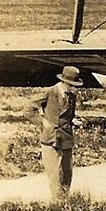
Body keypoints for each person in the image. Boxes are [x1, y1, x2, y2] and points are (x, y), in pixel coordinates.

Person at [30, 65, 83, 202]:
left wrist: (74, 120)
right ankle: (56, 204)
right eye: (73, 85)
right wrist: (42, 121)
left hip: (65, 138)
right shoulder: (50, 92)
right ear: (66, 83)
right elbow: (28, 109)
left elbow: (69, 116)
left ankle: (64, 202)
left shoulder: (72, 96)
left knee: (66, 174)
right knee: (54, 175)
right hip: (51, 139)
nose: (75, 88)